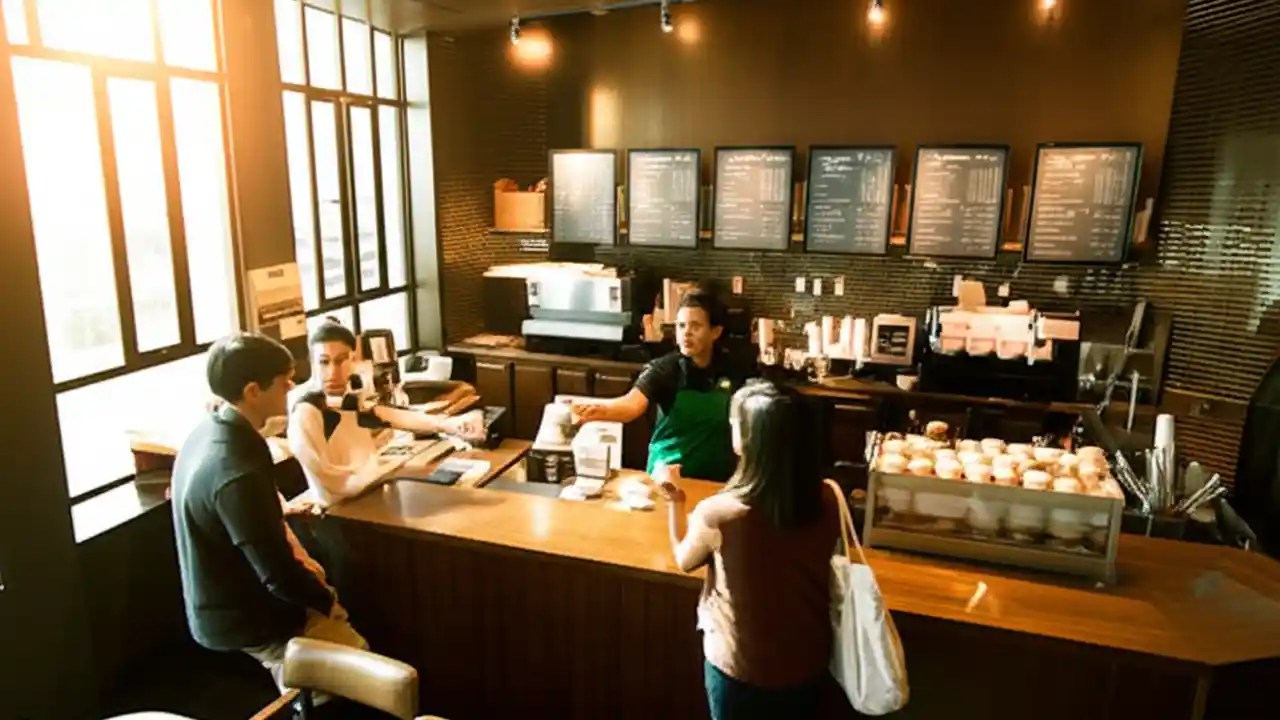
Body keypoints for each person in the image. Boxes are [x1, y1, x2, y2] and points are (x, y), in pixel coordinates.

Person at [171, 333, 367, 690]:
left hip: (216, 605)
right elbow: (277, 574)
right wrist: (326, 601)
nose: (292, 386)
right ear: (252, 392)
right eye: (283, 380)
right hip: (244, 618)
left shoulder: (211, 431)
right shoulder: (236, 469)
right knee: (360, 665)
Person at [657, 381, 841, 720]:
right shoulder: (830, 499)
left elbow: (684, 559)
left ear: (749, 441)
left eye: (734, 423)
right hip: (809, 664)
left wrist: (676, 502)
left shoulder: (721, 513)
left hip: (740, 671)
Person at [289, 318, 481, 508]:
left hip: (368, 497)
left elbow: (385, 415)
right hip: (338, 511)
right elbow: (335, 483)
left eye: (340, 361)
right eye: (324, 362)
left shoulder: (345, 398)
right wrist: (392, 470)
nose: (332, 372)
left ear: (353, 360)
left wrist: (449, 424)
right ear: (312, 362)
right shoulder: (306, 410)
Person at [573, 290, 745, 482]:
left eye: (695, 326)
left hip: (715, 480)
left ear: (716, 331)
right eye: (681, 326)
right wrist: (596, 411)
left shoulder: (733, 370)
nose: (686, 332)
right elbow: (631, 406)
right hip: (667, 477)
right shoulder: (665, 369)